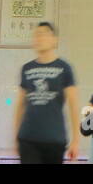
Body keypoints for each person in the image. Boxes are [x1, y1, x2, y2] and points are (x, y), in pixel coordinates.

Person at [15, 21, 81, 164]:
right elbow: (20, 105)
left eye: (44, 34)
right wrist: (16, 136)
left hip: (54, 139)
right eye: (36, 35)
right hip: (28, 139)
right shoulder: (27, 68)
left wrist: (76, 140)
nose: (39, 38)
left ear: (54, 40)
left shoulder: (64, 68)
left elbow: (73, 105)